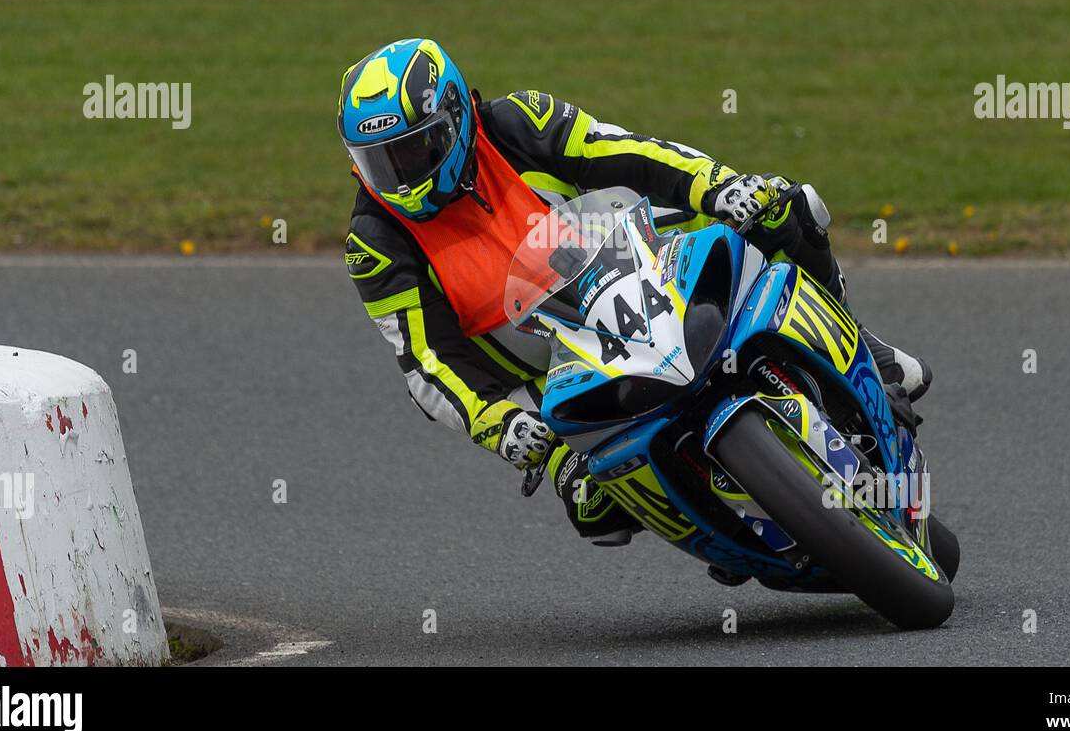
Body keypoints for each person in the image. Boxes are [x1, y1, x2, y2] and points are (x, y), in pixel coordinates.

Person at [338, 38, 930, 546]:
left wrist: (720, 188)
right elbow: (427, 364)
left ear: (456, 115)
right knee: (597, 512)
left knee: (785, 208)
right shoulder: (376, 242)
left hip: (632, 265)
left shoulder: (521, 122)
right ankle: (716, 522)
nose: (403, 175)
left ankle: (866, 353)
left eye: (415, 149)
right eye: (381, 162)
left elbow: (627, 153)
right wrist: (503, 425)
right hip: (556, 375)